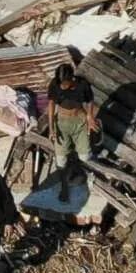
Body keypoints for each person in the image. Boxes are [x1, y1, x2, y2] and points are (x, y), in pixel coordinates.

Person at [46, 63, 99, 191]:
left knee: (85, 157)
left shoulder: (82, 85)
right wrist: (52, 127)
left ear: (72, 79)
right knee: (60, 160)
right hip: (62, 122)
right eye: (60, 83)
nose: (62, 86)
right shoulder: (55, 84)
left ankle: (77, 160)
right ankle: (64, 185)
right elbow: (51, 104)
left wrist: (90, 117)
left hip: (79, 121)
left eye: (65, 83)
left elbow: (90, 100)